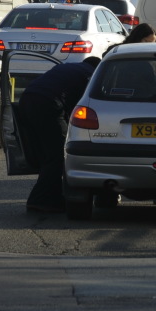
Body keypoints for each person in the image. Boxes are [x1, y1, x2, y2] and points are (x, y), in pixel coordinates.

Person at [18, 56, 101, 214]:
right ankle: (39, 200)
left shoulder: (70, 66)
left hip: (26, 100)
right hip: (48, 104)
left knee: (47, 155)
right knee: (59, 154)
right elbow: (82, 107)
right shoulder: (91, 75)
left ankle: (52, 199)